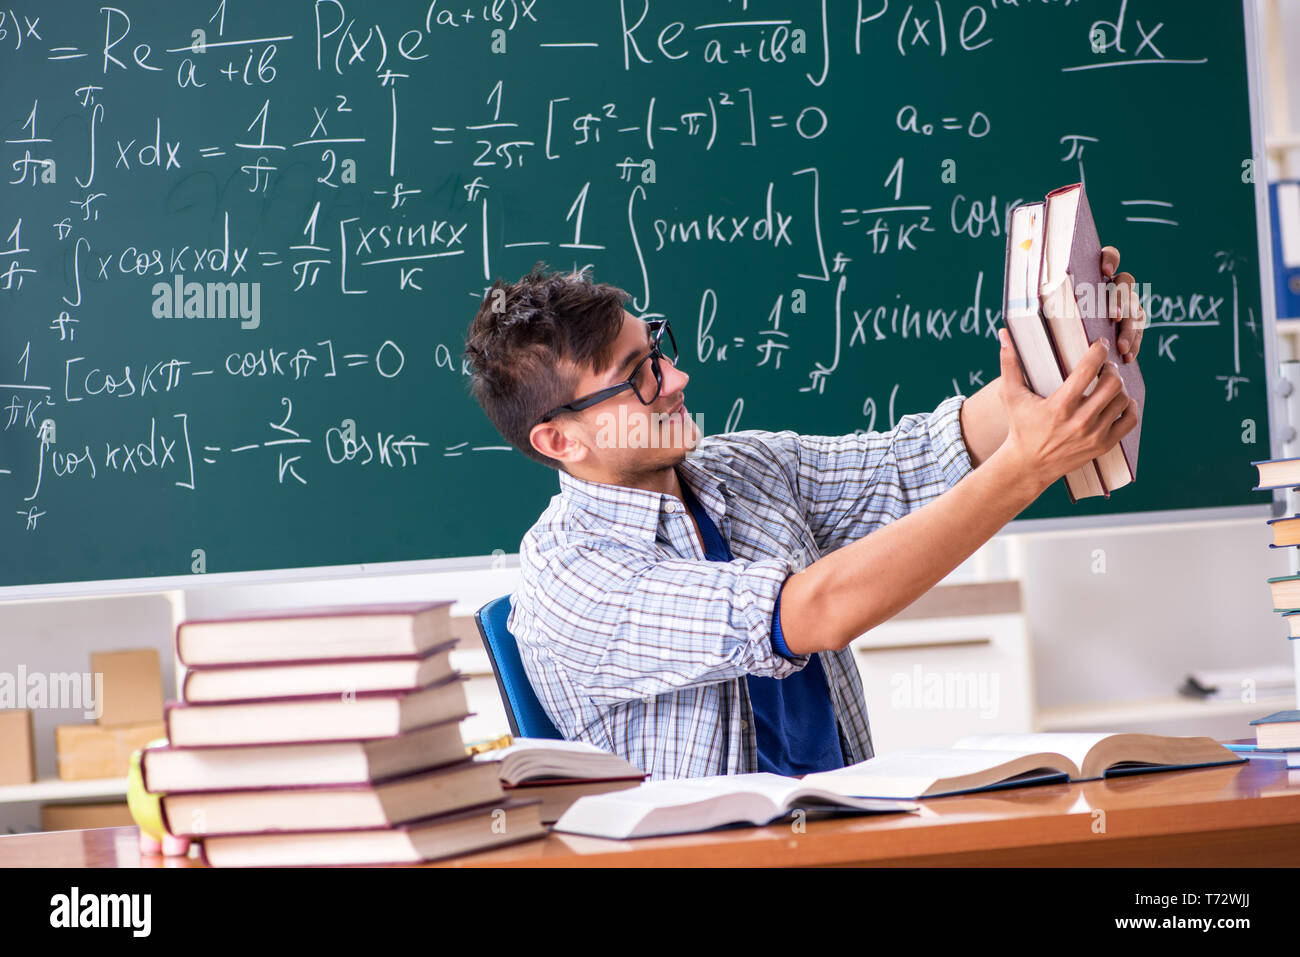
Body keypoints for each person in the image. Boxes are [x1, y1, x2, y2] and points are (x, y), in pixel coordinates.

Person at [463, 254, 1144, 780]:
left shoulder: (747, 468)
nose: (675, 381)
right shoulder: (568, 577)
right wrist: (1026, 467)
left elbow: (919, 460)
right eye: (638, 375)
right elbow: (808, 612)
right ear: (559, 439)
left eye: (659, 351)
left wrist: (1068, 355)